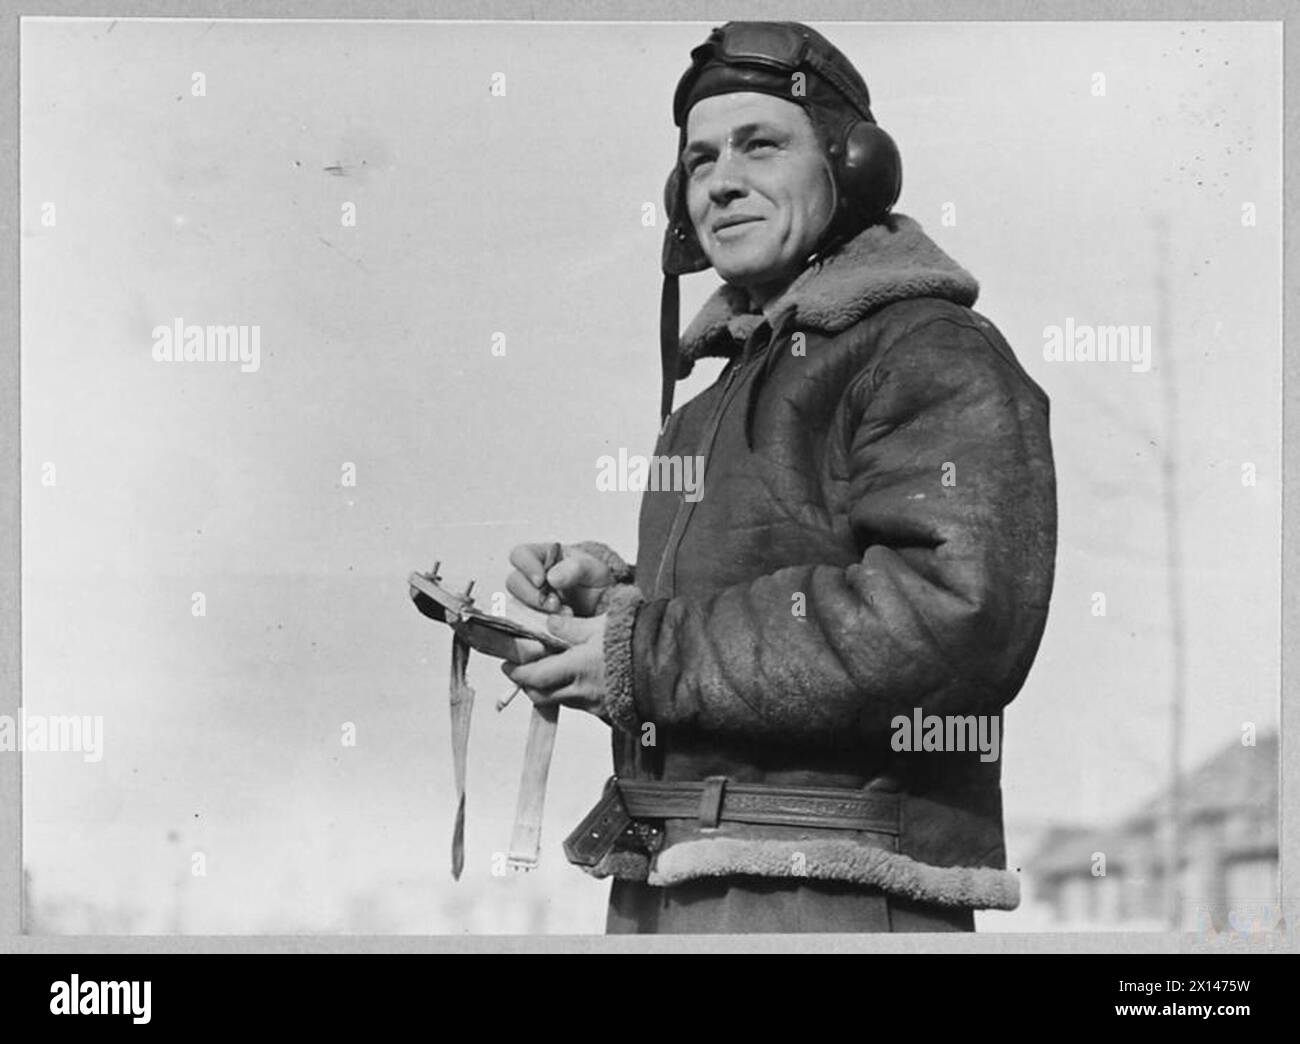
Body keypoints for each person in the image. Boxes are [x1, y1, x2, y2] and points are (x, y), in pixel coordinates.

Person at [502, 21, 1057, 934]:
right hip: (674, 891)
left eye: (761, 144)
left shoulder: (931, 350)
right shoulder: (708, 405)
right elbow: (736, 634)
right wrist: (619, 612)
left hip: (829, 895)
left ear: (855, 169)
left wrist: (648, 652)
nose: (721, 180)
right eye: (699, 160)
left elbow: (955, 617)